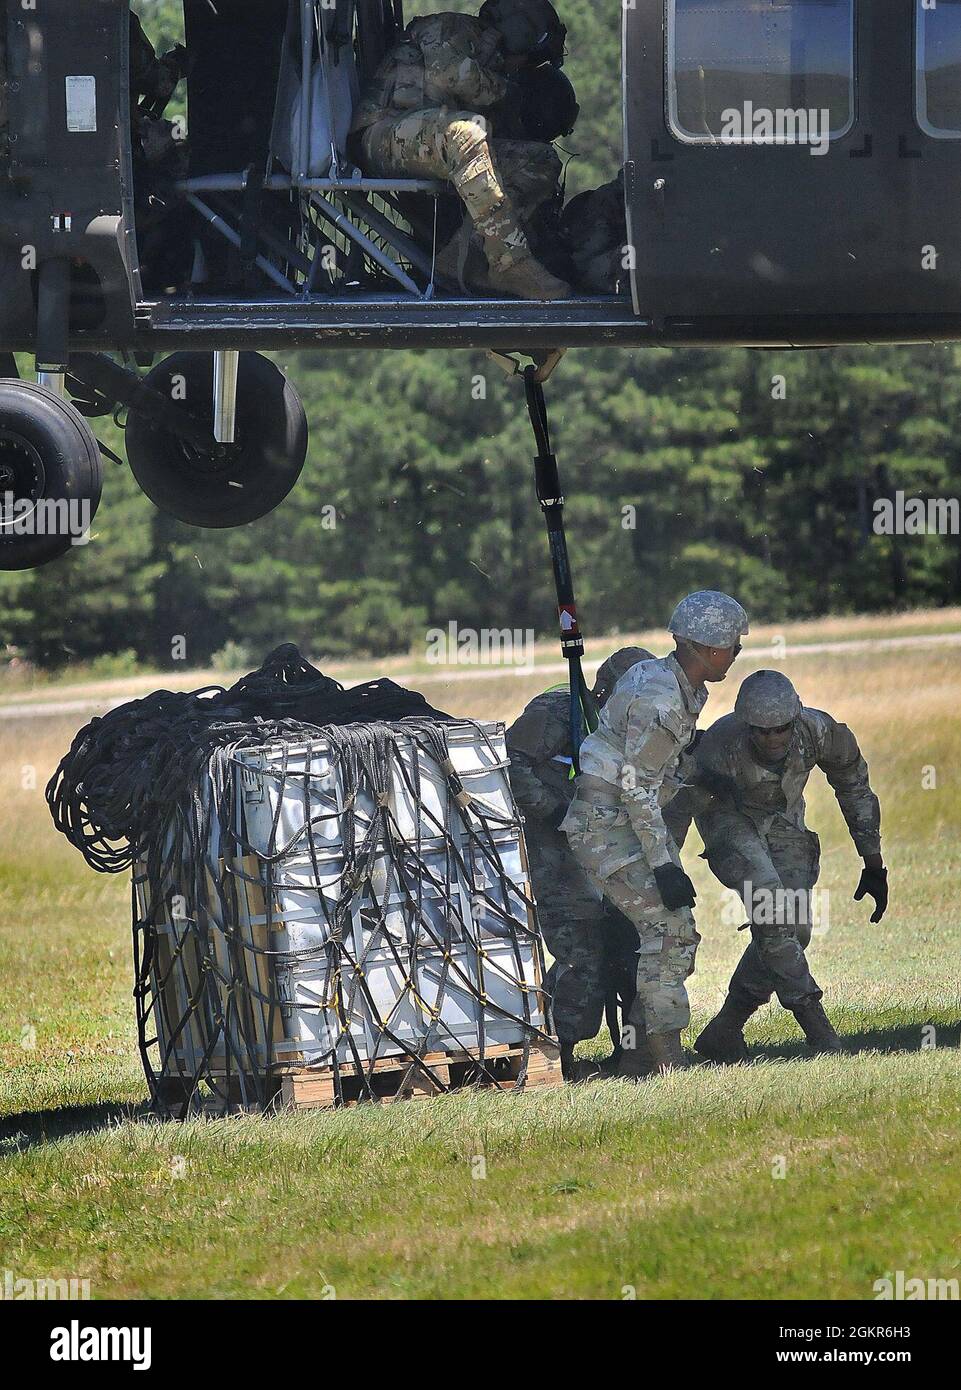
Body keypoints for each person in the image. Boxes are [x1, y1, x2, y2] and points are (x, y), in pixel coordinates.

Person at [562, 592, 750, 1076]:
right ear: (710, 649)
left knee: (669, 932)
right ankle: (664, 1061)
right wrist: (664, 865)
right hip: (608, 826)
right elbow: (636, 788)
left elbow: (645, 764)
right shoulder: (664, 700)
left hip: (615, 820)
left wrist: (694, 773)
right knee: (670, 931)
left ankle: (642, 1057)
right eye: (734, 646)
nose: (736, 654)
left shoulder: (661, 677)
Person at [691, 669, 887, 1062]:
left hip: (785, 823)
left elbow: (853, 785)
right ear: (747, 727)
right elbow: (681, 803)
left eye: (781, 728)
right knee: (775, 912)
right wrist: (665, 864)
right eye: (762, 731)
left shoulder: (820, 732)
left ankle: (724, 1030)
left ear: (794, 719)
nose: (772, 738)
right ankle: (820, 1034)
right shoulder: (718, 746)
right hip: (729, 823)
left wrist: (873, 861)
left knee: (794, 929)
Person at [349, 0, 572, 300]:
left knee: (539, 159)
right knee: (467, 133)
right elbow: (453, 75)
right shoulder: (451, 29)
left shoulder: (490, 57)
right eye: (527, 58)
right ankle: (510, 263)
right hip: (381, 135)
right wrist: (508, 93)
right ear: (517, 33)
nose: (521, 67)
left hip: (432, 144)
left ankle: (464, 255)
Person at [507, 647, 654, 1080]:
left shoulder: (633, 721)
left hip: (608, 853)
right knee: (581, 954)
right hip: (557, 854)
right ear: (607, 690)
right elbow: (509, 761)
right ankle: (557, 1058)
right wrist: (556, 813)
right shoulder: (560, 710)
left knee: (628, 949)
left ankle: (629, 1054)